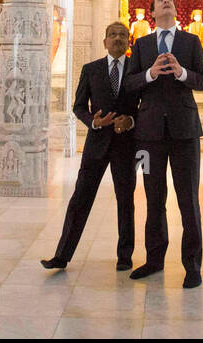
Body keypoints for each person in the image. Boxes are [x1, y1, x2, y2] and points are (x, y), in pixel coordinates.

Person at [120, 0, 203, 287]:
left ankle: (192, 266)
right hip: (149, 135)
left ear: (175, 11)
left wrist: (182, 73)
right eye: (160, 0)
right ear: (152, 12)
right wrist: (150, 73)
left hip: (185, 131)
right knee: (154, 197)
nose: (166, 1)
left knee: (188, 199)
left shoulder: (190, 42)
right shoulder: (143, 44)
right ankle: (155, 259)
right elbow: (130, 83)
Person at [41, 22, 140, 272]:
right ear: (104, 41)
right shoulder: (91, 70)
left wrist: (131, 121)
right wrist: (93, 122)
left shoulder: (137, 72)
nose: (118, 39)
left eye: (123, 35)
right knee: (80, 199)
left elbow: (144, 107)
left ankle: (125, 256)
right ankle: (62, 255)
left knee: (126, 201)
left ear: (129, 42)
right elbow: (78, 106)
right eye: (113, 35)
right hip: (97, 144)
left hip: (125, 146)